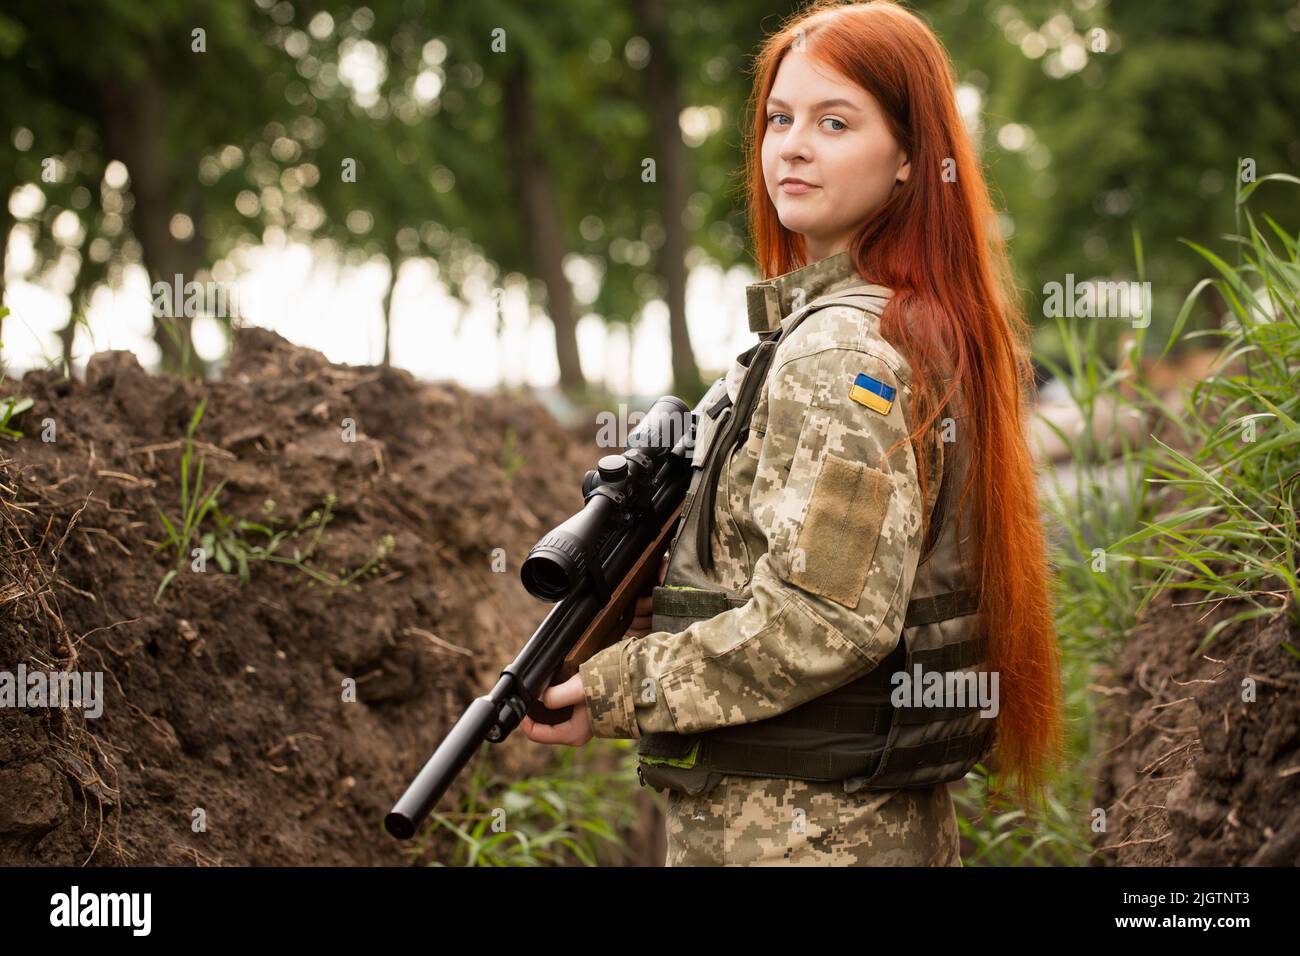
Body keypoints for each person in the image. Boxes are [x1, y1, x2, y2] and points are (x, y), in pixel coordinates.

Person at [522, 0, 1064, 866]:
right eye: (780, 119)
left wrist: (620, 687)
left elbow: (827, 620)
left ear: (908, 162)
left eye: (835, 121)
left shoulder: (844, 349)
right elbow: (808, 576)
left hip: (802, 839)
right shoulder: (883, 324)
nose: (792, 145)